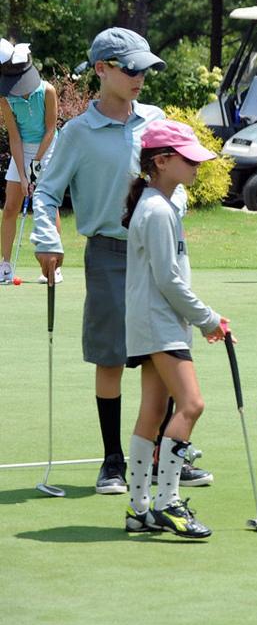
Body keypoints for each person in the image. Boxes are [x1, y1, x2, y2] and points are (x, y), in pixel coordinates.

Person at [32, 27, 212, 494]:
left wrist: (175, 212)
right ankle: (113, 460)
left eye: (145, 70)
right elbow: (47, 192)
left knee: (164, 353)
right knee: (111, 356)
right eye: (130, 69)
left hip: (160, 251)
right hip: (110, 253)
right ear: (102, 70)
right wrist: (47, 239)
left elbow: (179, 181)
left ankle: (158, 453)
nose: (140, 78)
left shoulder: (155, 121)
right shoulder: (77, 133)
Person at [121, 120, 226, 538]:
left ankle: (138, 509)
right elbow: (169, 279)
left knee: (152, 411)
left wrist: (200, 319)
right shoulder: (157, 210)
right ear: (162, 162)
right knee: (191, 405)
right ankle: (167, 504)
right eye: (189, 159)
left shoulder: (157, 204)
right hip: (159, 323)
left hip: (155, 322)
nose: (197, 166)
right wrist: (209, 319)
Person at [0, 38, 60, 285]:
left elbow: (50, 129)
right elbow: (14, 136)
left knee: (47, 206)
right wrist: (24, 176)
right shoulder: (5, 98)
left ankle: (53, 267)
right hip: (21, 149)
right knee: (11, 207)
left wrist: (36, 165)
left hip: (48, 148)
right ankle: (5, 266)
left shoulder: (47, 91)